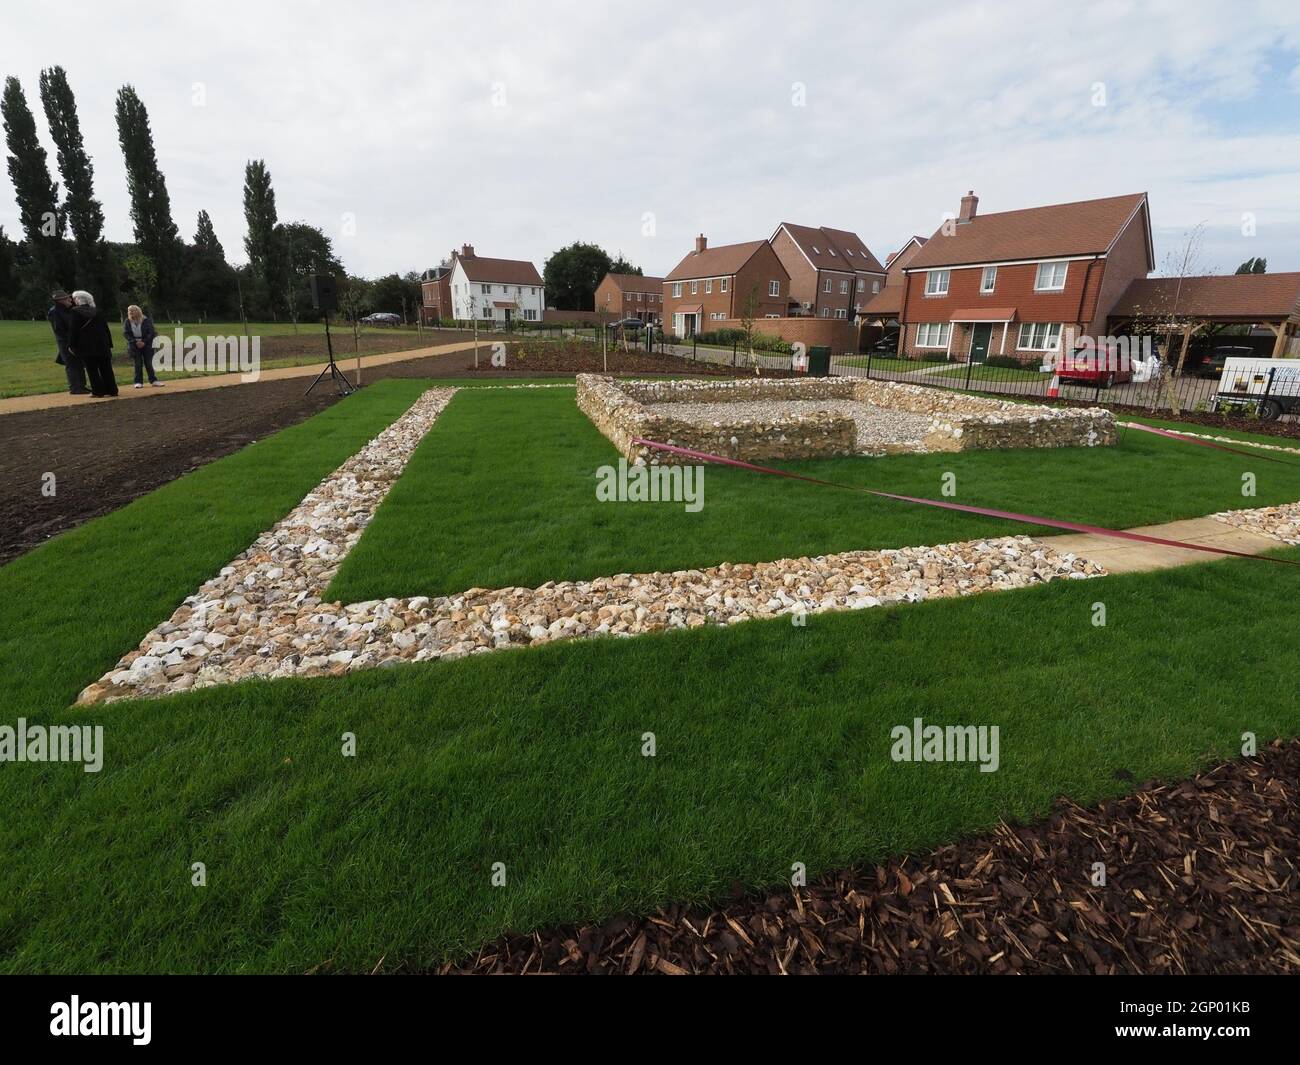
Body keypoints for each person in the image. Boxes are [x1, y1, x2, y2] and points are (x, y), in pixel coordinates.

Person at [68, 290, 118, 398]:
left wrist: (72, 345)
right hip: (103, 345)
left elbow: (73, 330)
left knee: (92, 369)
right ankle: (112, 390)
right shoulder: (97, 311)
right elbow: (106, 328)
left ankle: (98, 391)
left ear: (77, 299)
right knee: (107, 368)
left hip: (87, 346)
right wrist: (109, 343)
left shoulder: (75, 311)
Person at [47, 289, 89, 394]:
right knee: (71, 365)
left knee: (79, 364)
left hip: (74, 341)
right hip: (66, 343)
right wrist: (70, 341)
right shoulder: (55, 312)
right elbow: (59, 330)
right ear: (60, 300)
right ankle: (75, 387)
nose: (69, 299)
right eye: (66, 298)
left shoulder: (69, 309)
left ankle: (81, 386)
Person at [122, 305, 162, 388]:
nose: (130, 312)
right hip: (134, 344)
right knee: (138, 363)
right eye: (129, 311)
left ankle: (154, 380)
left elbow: (151, 332)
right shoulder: (127, 321)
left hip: (147, 344)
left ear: (138, 311)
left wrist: (144, 341)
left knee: (149, 362)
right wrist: (134, 341)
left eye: (132, 310)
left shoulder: (146, 320)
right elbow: (126, 333)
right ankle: (138, 382)